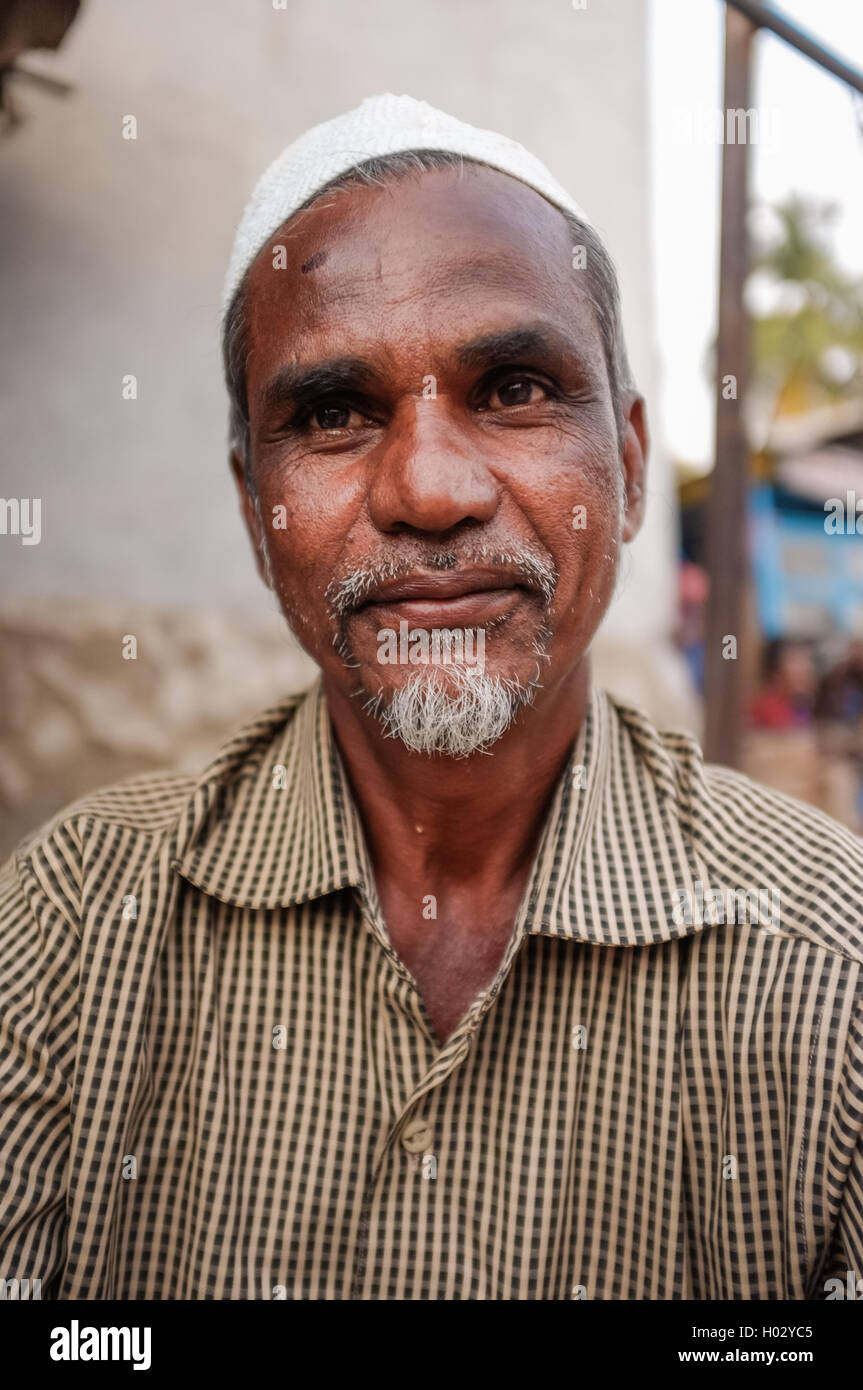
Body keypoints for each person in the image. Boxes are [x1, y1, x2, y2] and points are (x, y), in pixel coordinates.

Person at [1, 94, 862, 1301]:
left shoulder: (829, 950)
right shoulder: (70, 928)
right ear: (257, 513)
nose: (430, 487)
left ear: (623, 467)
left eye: (512, 387)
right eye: (333, 412)